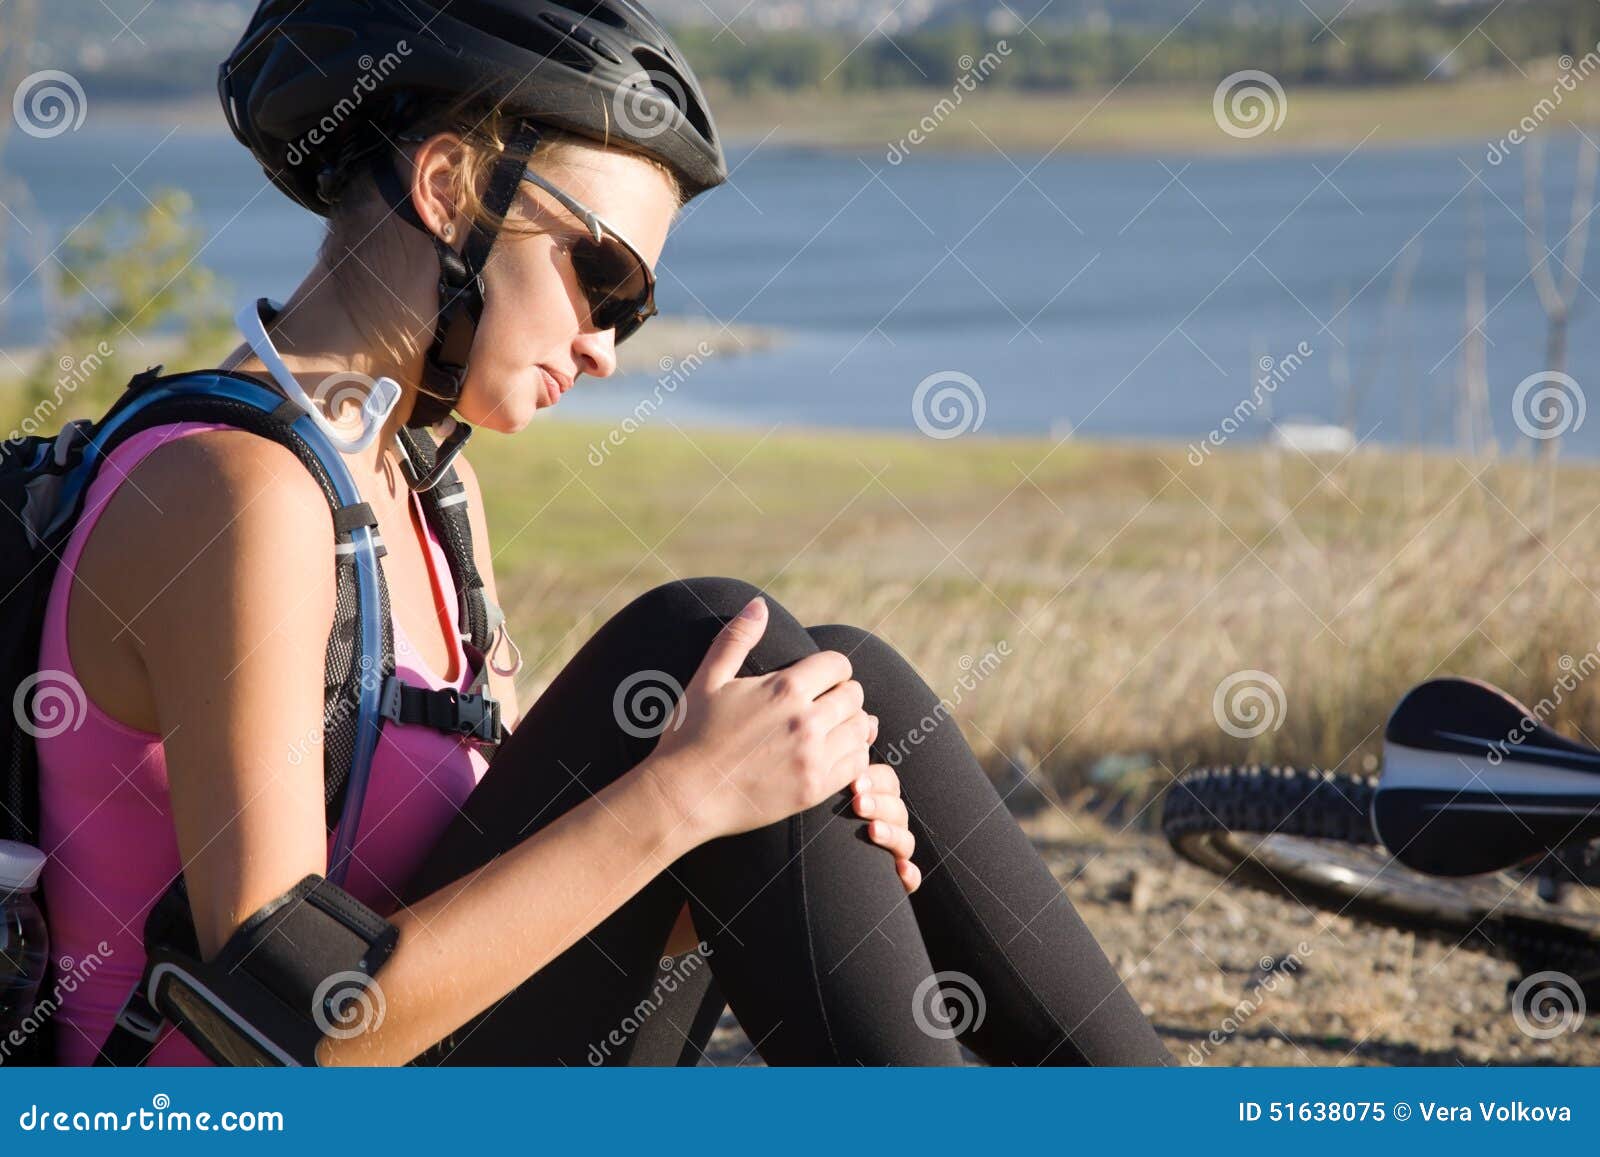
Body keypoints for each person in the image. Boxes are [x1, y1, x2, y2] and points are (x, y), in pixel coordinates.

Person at [35, 0, 1174, 1067]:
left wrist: (769, 826)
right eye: (602, 275)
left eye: (634, 310)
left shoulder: (431, 497)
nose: (605, 347)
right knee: (708, 640)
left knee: (828, 683)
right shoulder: (235, 493)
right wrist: (683, 797)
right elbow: (292, 1017)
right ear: (446, 188)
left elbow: (508, 922)